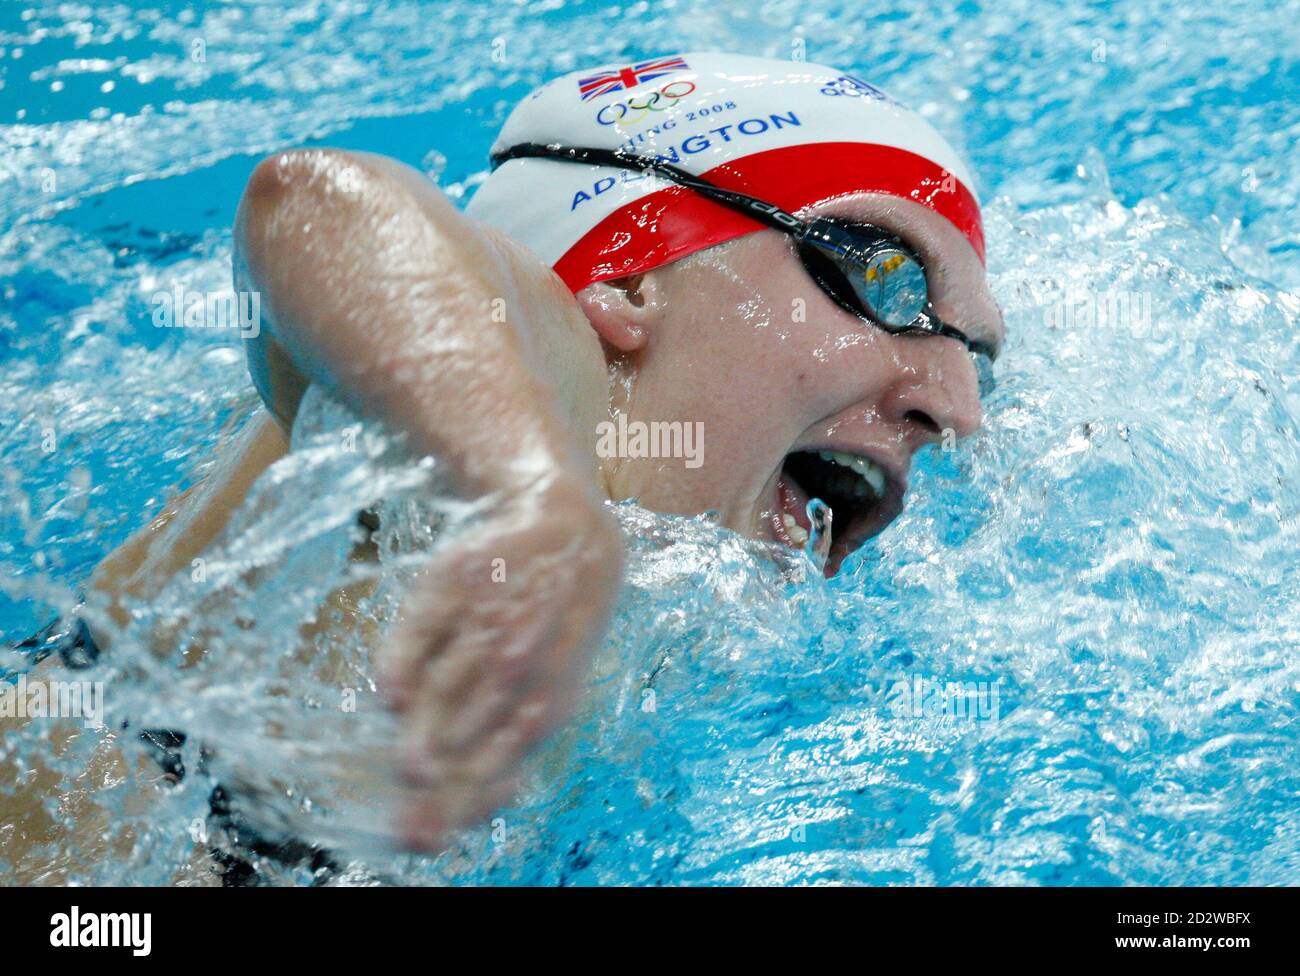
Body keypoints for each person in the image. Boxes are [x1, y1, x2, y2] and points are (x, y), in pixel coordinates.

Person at [3, 53, 1004, 867]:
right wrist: (522, 490)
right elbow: (317, 203)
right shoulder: (526, 404)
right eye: (886, 275)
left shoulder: (681, 616)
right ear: (632, 280)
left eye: (979, 361)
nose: (951, 406)